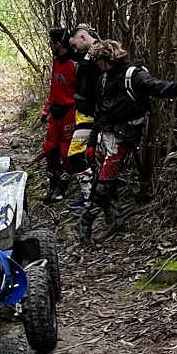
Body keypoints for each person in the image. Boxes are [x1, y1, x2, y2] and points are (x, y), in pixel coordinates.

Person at [79, 39, 177, 245]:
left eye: (99, 60)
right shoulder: (105, 79)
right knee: (100, 181)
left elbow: (157, 87)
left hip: (123, 136)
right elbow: (100, 112)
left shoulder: (133, 75)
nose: (97, 64)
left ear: (106, 59)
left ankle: (86, 223)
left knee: (104, 184)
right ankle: (113, 220)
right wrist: (91, 143)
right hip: (104, 136)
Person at [67, 24, 103, 213]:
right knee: (86, 158)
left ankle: (89, 200)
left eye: (75, 45)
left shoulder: (101, 53)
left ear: (83, 38)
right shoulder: (84, 55)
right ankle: (87, 196)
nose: (75, 50)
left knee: (76, 155)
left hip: (92, 114)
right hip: (83, 113)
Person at [41, 28, 78, 203]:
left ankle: (61, 187)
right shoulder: (56, 61)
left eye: (51, 43)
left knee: (66, 151)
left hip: (70, 112)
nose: (49, 45)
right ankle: (52, 184)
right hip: (55, 112)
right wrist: (46, 110)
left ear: (58, 44)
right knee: (49, 148)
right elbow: (53, 89)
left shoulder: (75, 63)